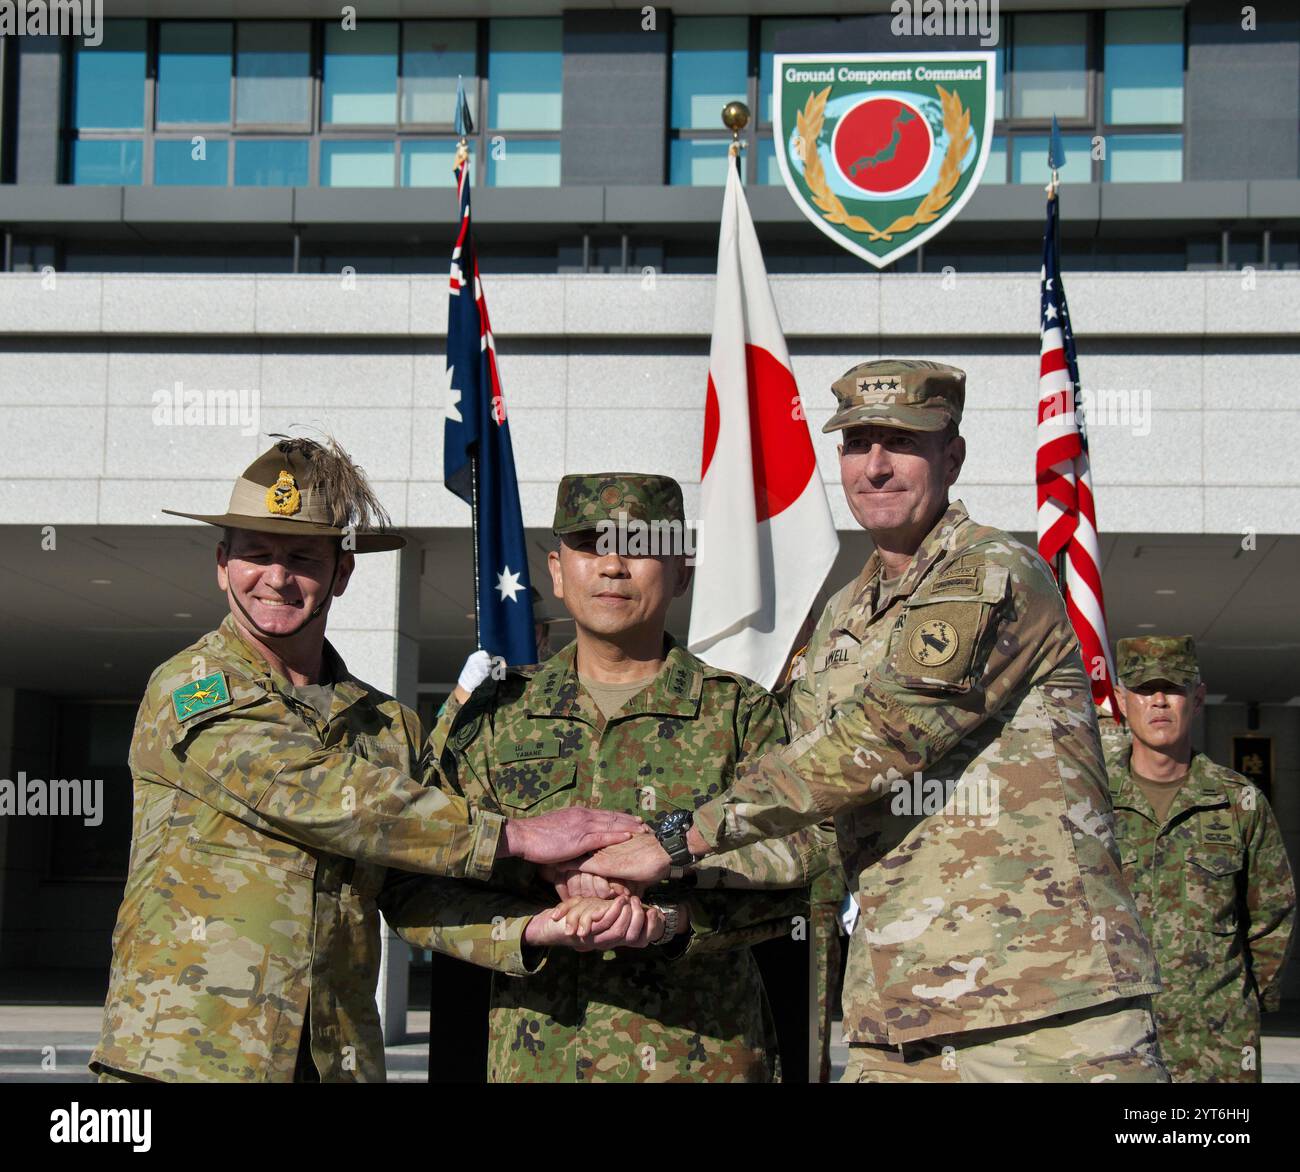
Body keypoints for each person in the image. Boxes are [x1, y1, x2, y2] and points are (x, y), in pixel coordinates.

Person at [579, 360, 1169, 1083]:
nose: (877, 466)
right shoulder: (841, 621)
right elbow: (807, 824)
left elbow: (882, 737)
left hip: (1044, 1011)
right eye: (858, 443)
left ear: (952, 456)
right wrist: (631, 877)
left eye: (903, 442)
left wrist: (678, 838)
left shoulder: (995, 573)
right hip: (896, 1017)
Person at [90, 437, 640, 1083]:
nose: (276, 577)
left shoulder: (385, 724)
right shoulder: (192, 685)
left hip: (333, 1055)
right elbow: (309, 791)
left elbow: (410, 887)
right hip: (186, 1056)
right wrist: (515, 835)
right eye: (256, 556)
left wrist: (533, 926)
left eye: (301, 557)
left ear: (341, 573)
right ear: (222, 565)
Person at [412, 473, 831, 1082]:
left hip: (703, 1061)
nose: (612, 566)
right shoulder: (493, 721)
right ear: (556, 570)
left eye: (638, 544)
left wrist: (676, 913)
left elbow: (814, 865)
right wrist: (529, 923)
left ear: (682, 571)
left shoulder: (742, 716)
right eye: (590, 544)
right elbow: (416, 879)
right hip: (537, 1062)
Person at [1109, 635, 1296, 1083]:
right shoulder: (1090, 800)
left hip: (1215, 1040)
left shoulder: (1238, 802)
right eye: (1143, 689)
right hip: (1113, 1036)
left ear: (1197, 698)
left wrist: (1241, 1001)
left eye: (1172, 689)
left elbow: (1273, 915)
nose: (1158, 702)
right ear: (1120, 699)